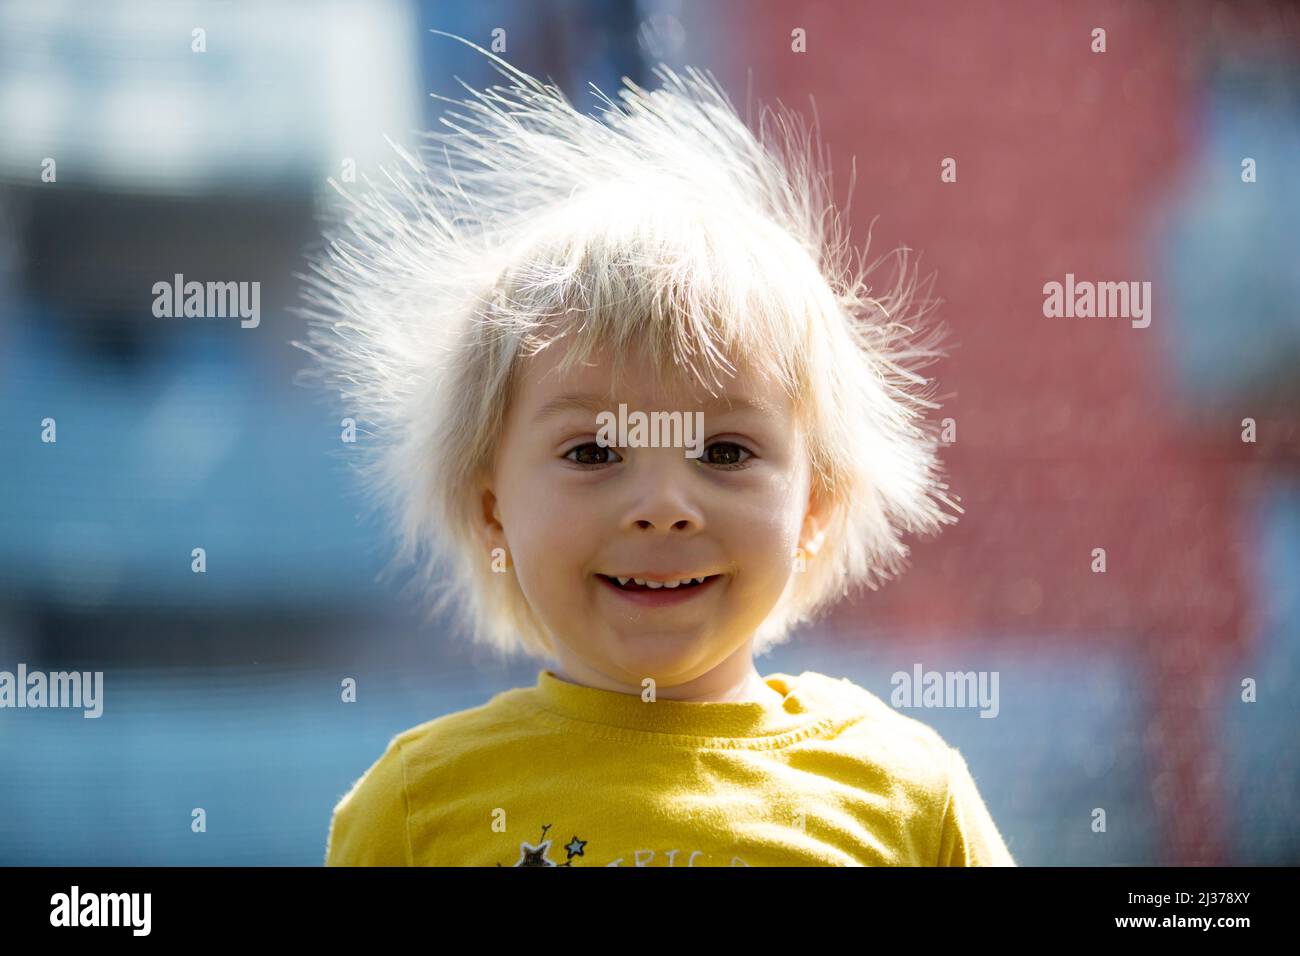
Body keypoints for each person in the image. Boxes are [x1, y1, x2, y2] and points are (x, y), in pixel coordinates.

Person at [296, 34, 1014, 866]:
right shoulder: (416, 810)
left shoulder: (906, 796)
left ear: (815, 503)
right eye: (596, 453)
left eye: (726, 451)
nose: (665, 506)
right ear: (494, 510)